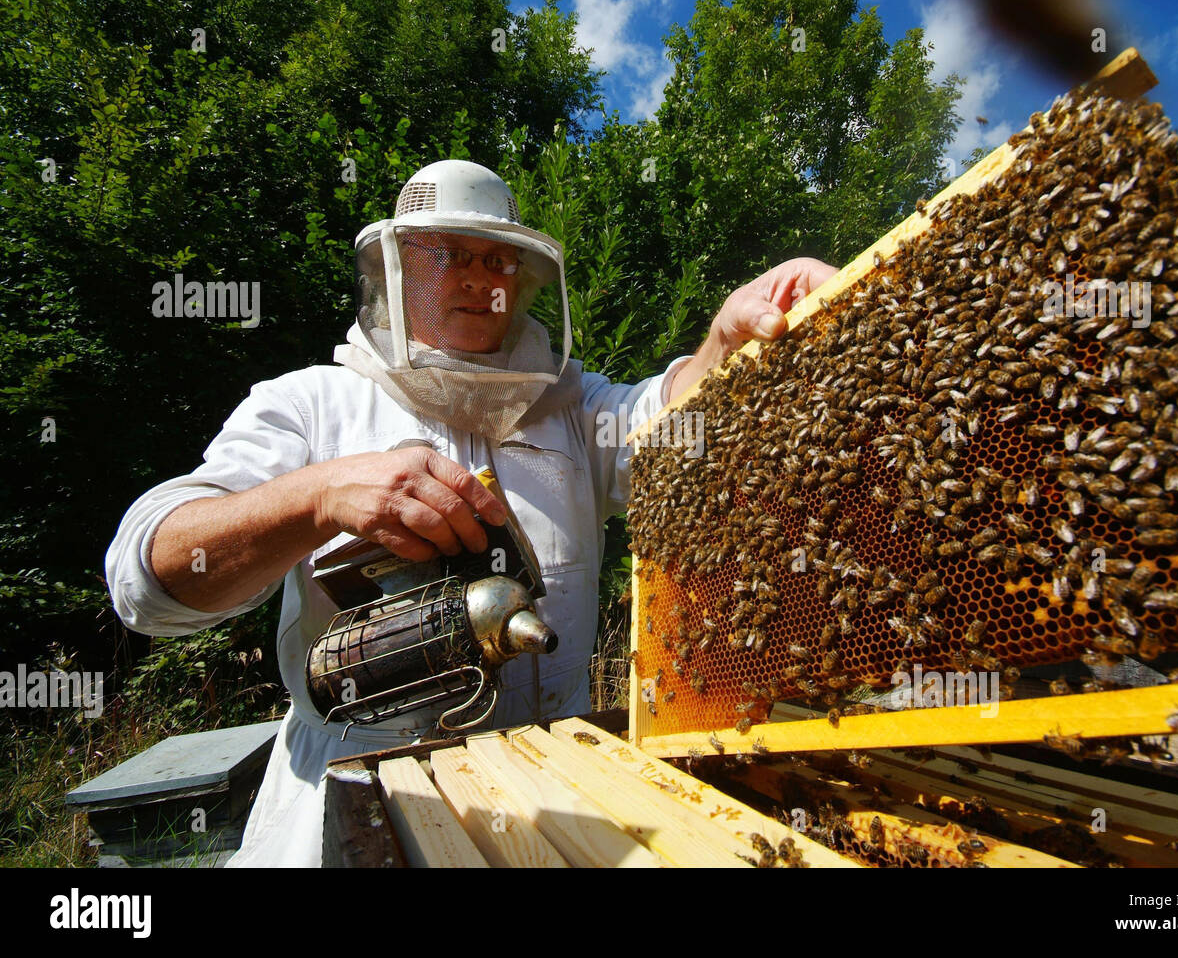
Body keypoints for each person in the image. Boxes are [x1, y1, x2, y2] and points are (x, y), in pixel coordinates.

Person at [105, 159, 836, 866]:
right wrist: (319, 495)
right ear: (395, 269)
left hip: (562, 789)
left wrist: (726, 346)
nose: (482, 278)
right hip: (356, 794)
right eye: (450, 254)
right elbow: (148, 580)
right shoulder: (308, 405)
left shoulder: (573, 407)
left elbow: (669, 425)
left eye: (500, 260)